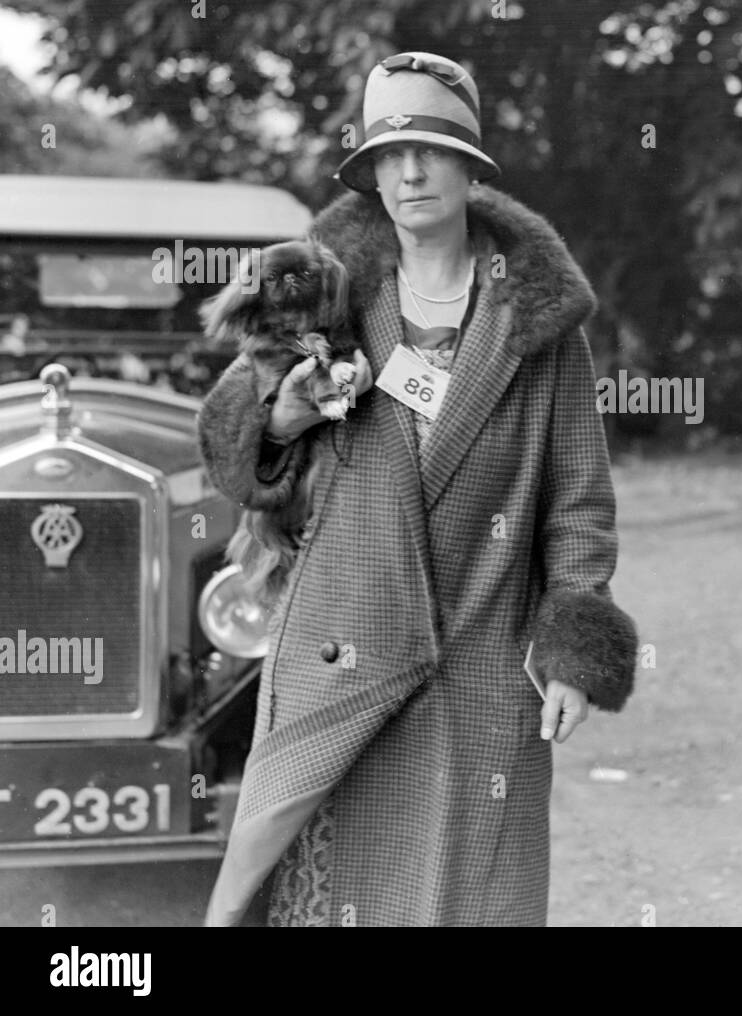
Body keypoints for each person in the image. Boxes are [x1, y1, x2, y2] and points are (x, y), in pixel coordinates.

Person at [199, 51, 638, 926]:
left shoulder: (538, 322)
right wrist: (282, 417)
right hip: (341, 653)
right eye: (389, 155)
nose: (409, 172)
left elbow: (578, 500)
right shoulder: (321, 295)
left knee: (468, 896)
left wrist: (572, 654)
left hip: (482, 655)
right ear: (368, 173)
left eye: (432, 150)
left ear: (471, 167)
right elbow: (228, 444)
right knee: (316, 899)